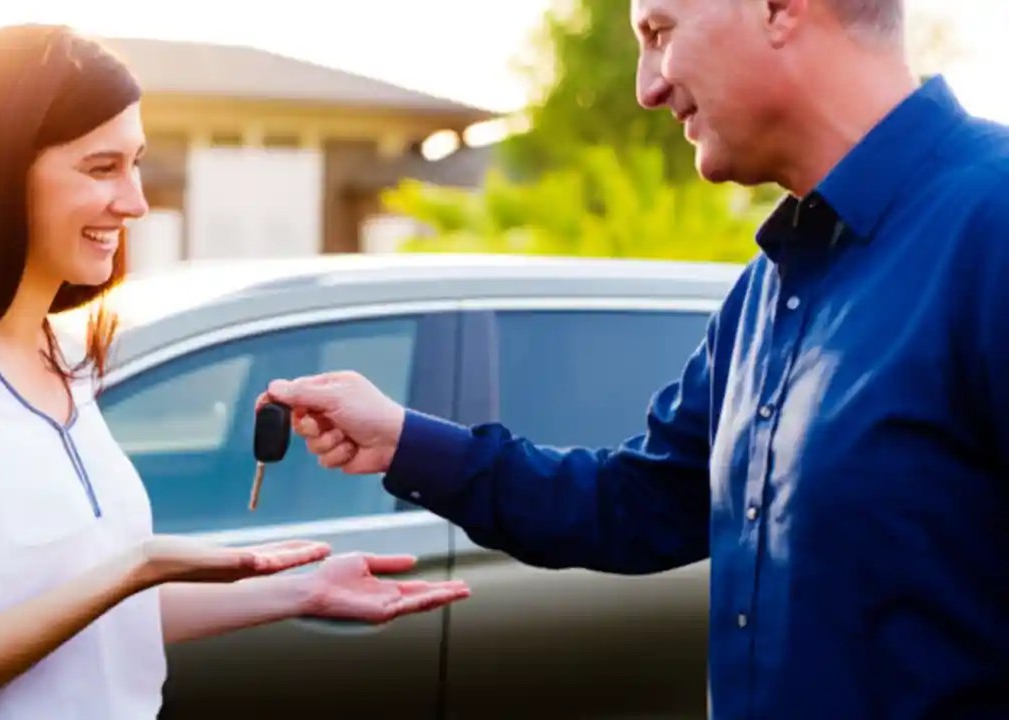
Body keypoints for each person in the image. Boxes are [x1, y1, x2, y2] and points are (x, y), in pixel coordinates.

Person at [260, 0, 1009, 717]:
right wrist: (402, 441)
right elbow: (631, 506)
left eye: (659, 31)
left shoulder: (991, 228)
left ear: (778, 7)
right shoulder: (766, 294)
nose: (647, 88)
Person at [0, 24, 469, 720]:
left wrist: (298, 591)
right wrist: (132, 568)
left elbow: (92, 621)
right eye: (101, 167)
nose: (136, 201)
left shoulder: (59, 356)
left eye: (137, 163)